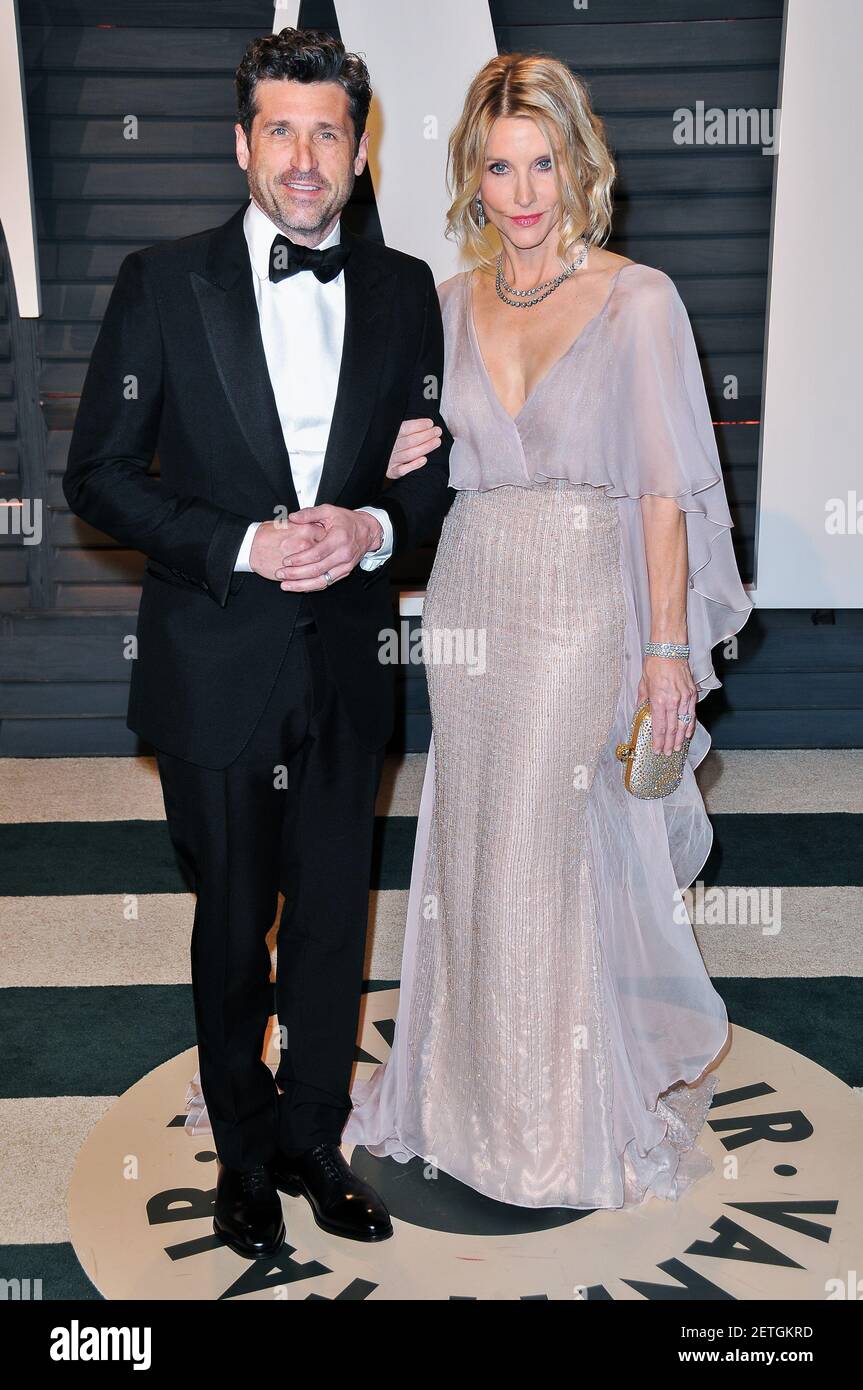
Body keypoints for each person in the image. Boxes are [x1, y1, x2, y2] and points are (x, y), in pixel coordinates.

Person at [62, 28, 454, 1258]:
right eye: (279, 130)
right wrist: (242, 544)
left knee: (335, 919)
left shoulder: (402, 293)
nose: (303, 157)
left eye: (326, 131)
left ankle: (309, 1140)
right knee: (232, 924)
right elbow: (99, 478)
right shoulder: (159, 280)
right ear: (241, 144)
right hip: (217, 660)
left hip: (345, 663)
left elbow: (434, 485)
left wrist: (372, 525)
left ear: (357, 146)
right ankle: (238, 1152)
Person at [341, 53, 755, 1208]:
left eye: (542, 163)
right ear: (472, 177)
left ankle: (549, 1120)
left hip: (582, 600)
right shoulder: (445, 302)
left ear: (578, 166)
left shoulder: (637, 298)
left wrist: (665, 649)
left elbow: (667, 488)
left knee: (540, 834)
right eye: (498, 166)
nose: (522, 192)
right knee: (471, 832)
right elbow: (418, 449)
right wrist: (403, 455)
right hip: (472, 596)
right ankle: (462, 1095)